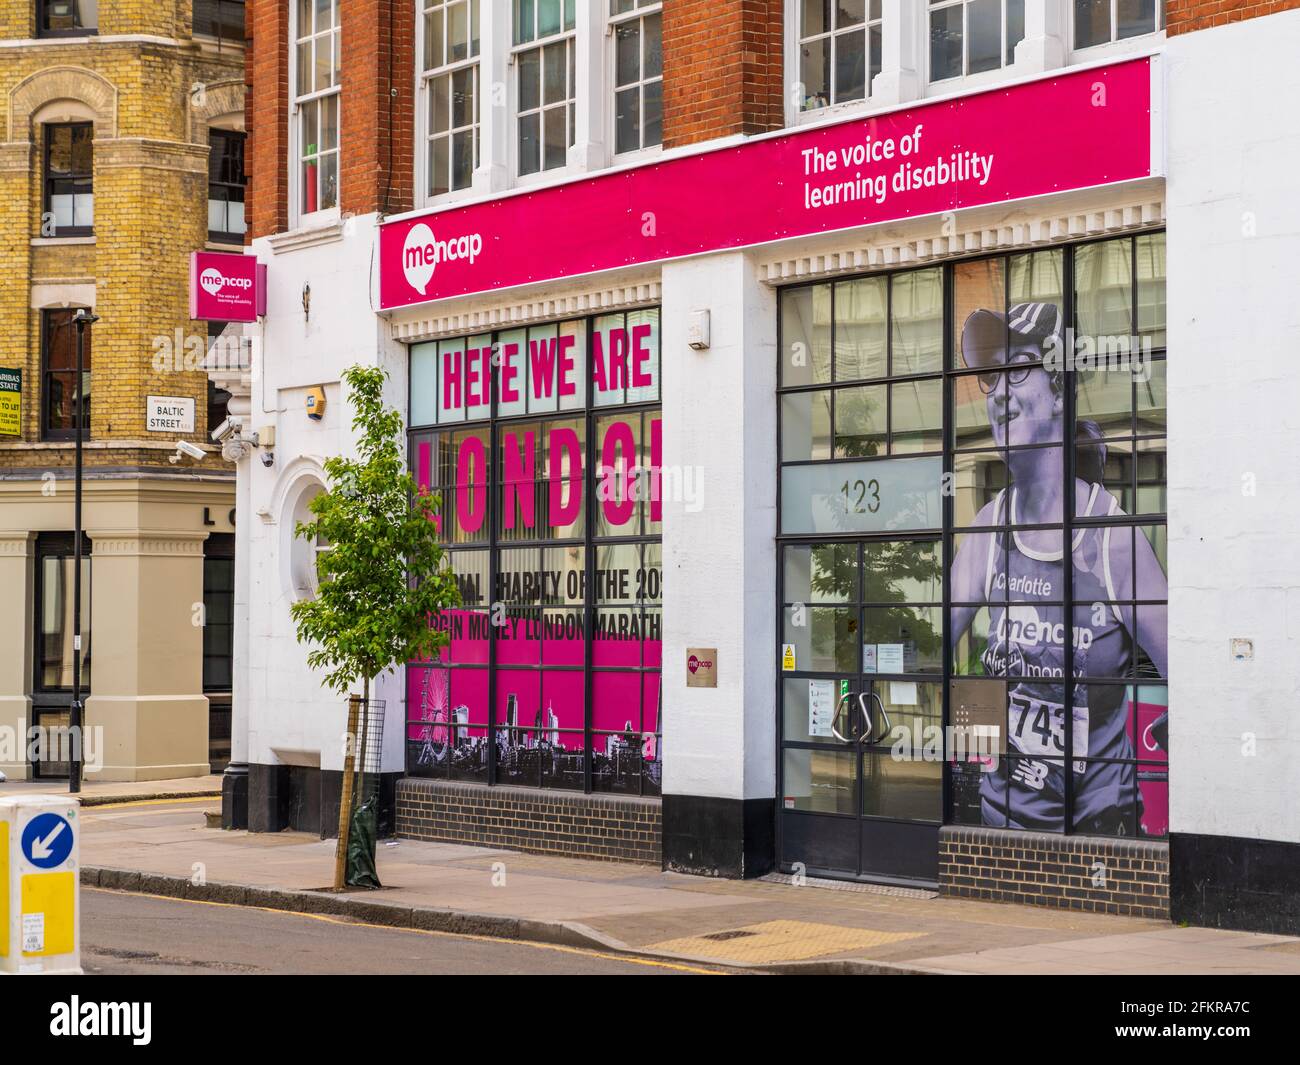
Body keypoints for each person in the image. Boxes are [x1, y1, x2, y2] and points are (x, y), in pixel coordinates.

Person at [948, 302, 1168, 834]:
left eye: (1018, 368)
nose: (999, 391)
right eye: (990, 377)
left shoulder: (1111, 539)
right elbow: (930, 644)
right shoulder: (988, 527)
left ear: (1062, 390)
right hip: (1000, 826)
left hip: (1097, 834)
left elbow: (1190, 671)